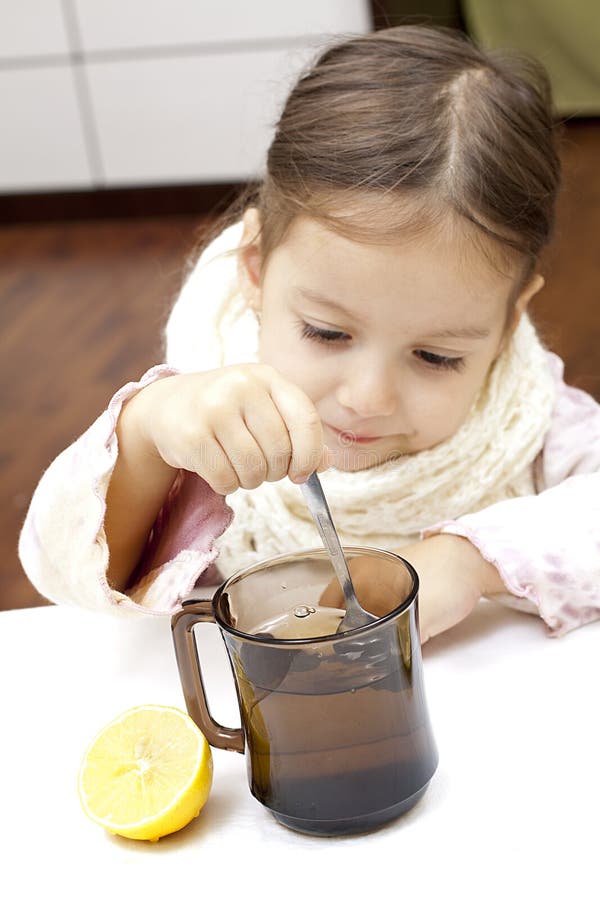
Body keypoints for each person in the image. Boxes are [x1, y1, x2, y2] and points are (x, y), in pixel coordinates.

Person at [19, 25, 600, 643]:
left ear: (510, 324)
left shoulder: (530, 419)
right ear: (256, 269)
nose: (367, 397)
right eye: (327, 334)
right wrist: (144, 432)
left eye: (436, 356)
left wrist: (472, 560)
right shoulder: (202, 419)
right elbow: (66, 575)